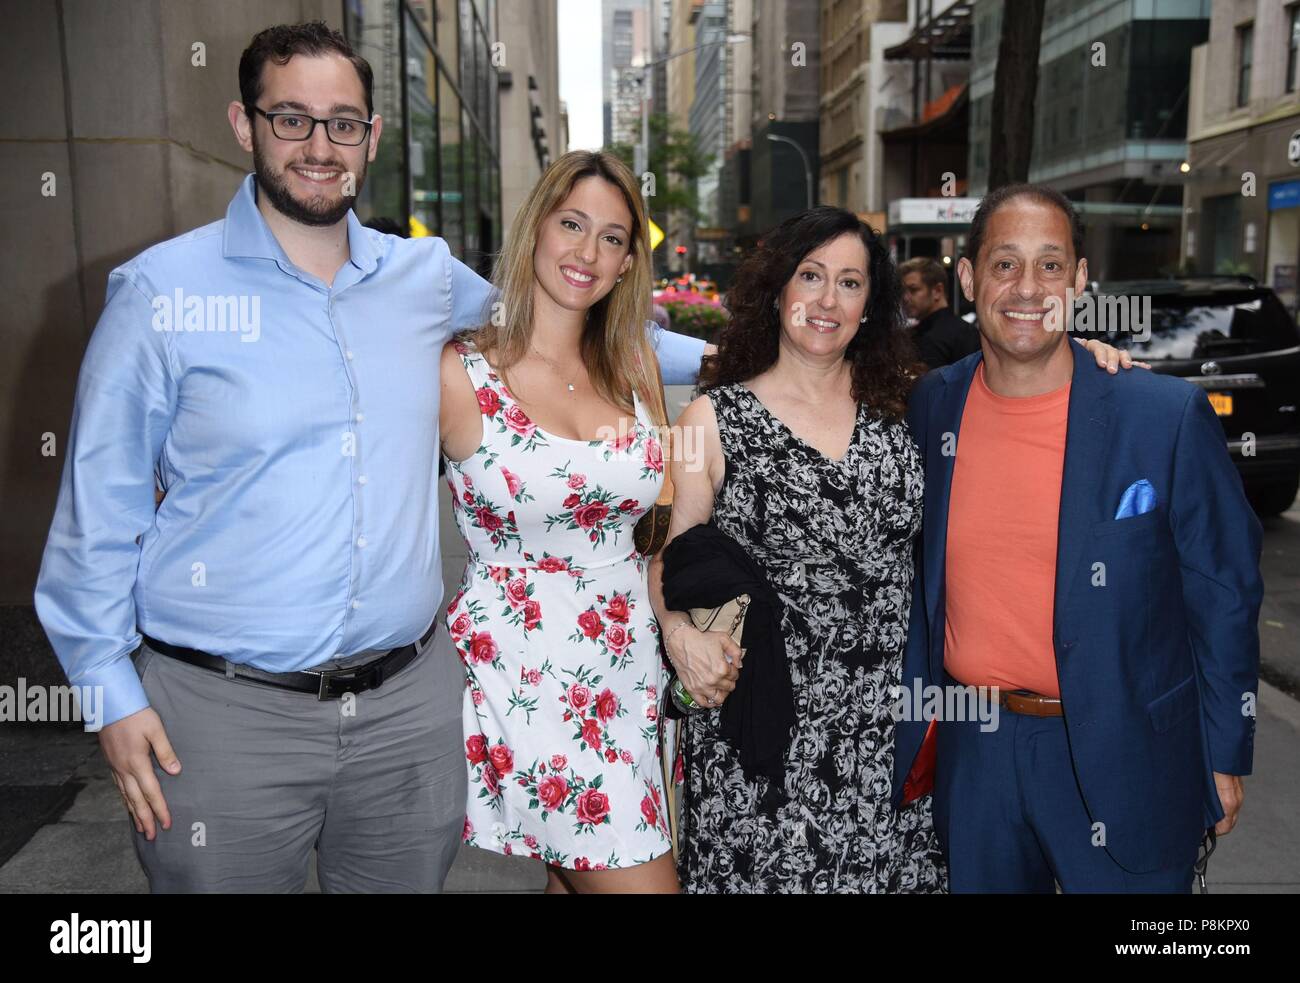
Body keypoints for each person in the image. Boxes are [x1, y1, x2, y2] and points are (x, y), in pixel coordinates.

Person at [33, 22, 704, 894]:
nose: (319, 145)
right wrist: (107, 691)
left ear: (373, 136)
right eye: (292, 119)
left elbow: (551, 323)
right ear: (244, 125)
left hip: (404, 711)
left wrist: (750, 357)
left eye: (343, 122)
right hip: (225, 715)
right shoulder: (162, 294)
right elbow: (97, 513)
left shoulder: (422, 278)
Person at [894, 183, 1263, 892]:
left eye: (1051, 265)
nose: (1027, 287)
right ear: (969, 279)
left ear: (1081, 281)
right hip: (978, 754)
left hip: (1133, 753)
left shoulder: (1162, 414)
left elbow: (1224, 592)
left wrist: (1222, 750)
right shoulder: (932, 402)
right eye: (1004, 264)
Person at [648, 206, 946, 893]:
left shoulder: (908, 412)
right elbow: (670, 553)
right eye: (810, 276)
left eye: (849, 282)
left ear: (871, 305)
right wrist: (675, 631)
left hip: (884, 733)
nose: (826, 300)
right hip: (761, 735)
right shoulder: (710, 419)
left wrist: (1099, 358)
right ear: (779, 288)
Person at [440, 150, 679, 893]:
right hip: (533, 680)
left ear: (628, 260)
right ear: (535, 227)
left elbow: (663, 520)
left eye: (613, 237)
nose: (588, 252)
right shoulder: (460, 372)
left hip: (633, 672)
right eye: (572, 224)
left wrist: (680, 626)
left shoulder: (634, 362)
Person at [898, 256, 979, 368]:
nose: (905, 298)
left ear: (937, 290)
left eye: (913, 289)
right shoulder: (968, 331)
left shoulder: (931, 338)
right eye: (902, 291)